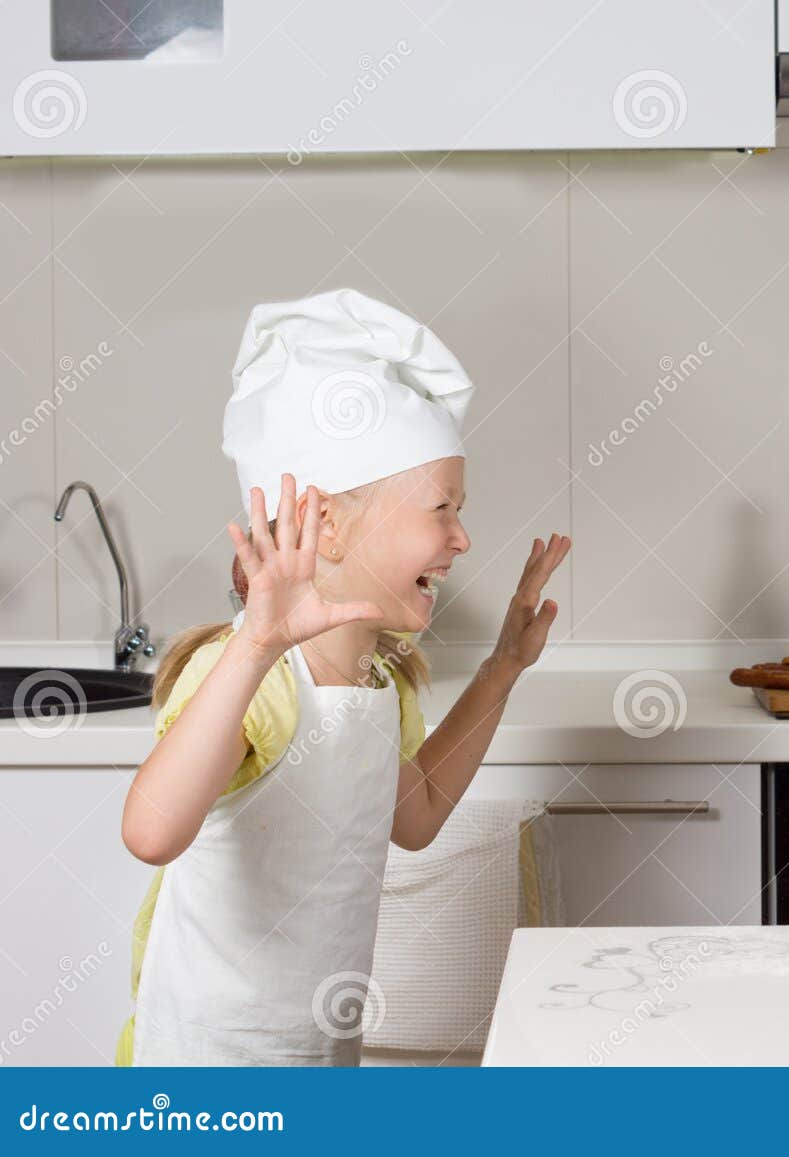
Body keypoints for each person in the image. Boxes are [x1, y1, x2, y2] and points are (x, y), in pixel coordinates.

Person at [117, 288, 570, 1064]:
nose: (462, 536)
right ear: (326, 523)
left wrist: (501, 671)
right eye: (441, 508)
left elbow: (417, 816)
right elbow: (151, 831)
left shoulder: (376, 684)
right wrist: (255, 646)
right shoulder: (251, 676)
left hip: (321, 1054)